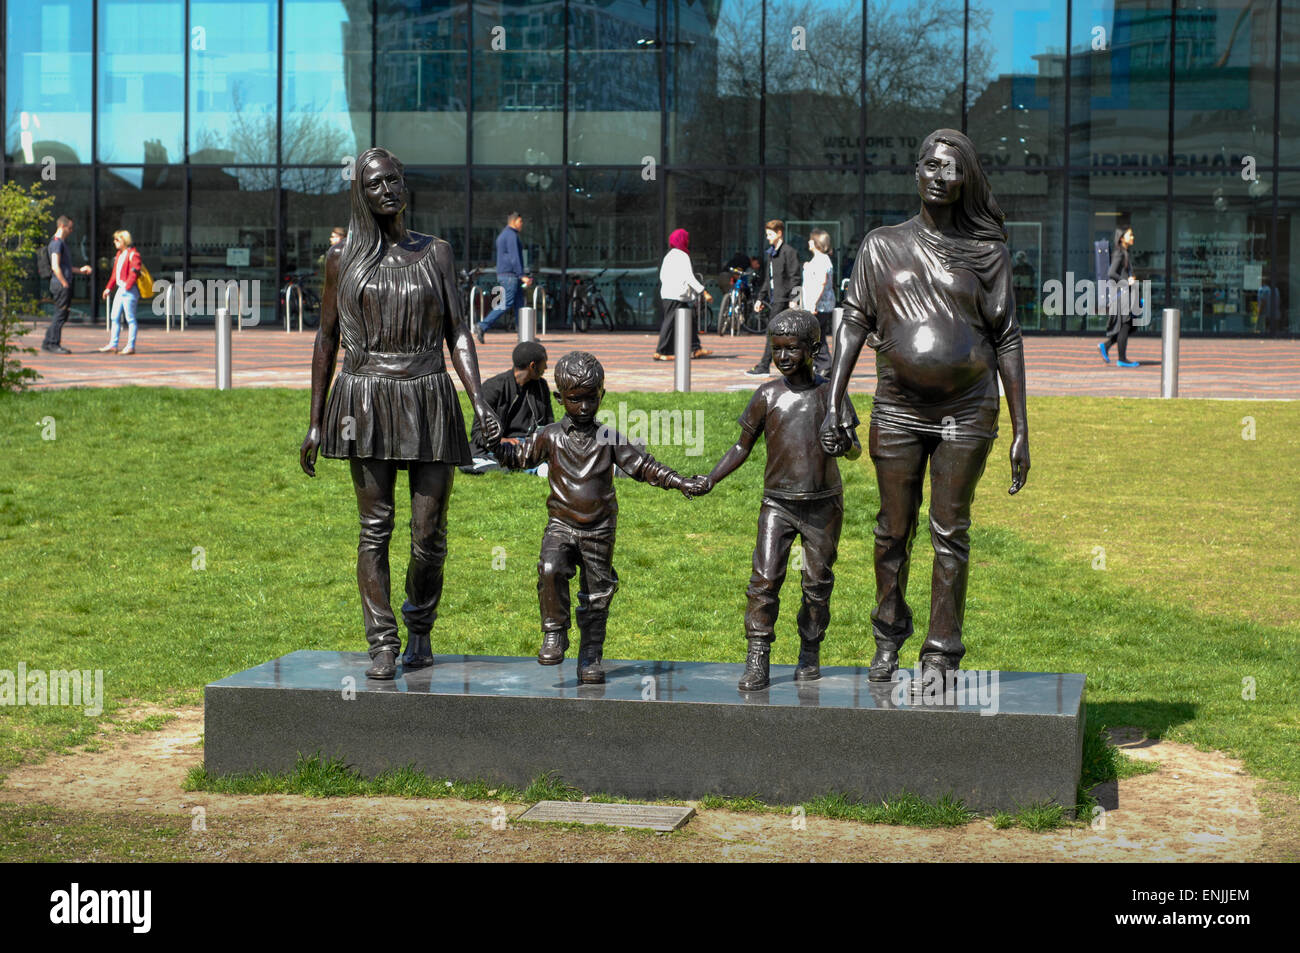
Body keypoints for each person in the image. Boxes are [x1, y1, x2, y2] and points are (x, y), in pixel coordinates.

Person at [822, 128, 1030, 686]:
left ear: (966, 180)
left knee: (949, 531)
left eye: (952, 169)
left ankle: (941, 651)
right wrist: (834, 397)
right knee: (892, 529)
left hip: (967, 410)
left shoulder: (988, 253)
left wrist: (1021, 428)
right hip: (895, 408)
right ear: (916, 172)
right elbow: (853, 322)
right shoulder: (880, 245)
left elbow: (1008, 337)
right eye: (932, 166)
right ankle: (888, 634)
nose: (941, 177)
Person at [299, 147, 501, 680]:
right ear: (360, 195)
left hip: (430, 394)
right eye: (374, 184)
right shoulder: (342, 260)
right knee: (375, 527)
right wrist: (316, 420)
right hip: (365, 399)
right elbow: (326, 339)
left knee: (428, 531)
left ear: (404, 184)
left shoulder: (436, 253)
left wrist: (479, 399)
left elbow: (458, 331)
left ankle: (420, 628)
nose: (386, 189)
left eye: (392, 180)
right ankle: (382, 641)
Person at [493, 351, 707, 684]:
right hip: (561, 524)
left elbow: (644, 467)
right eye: (574, 400)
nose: (582, 408)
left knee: (597, 596)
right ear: (560, 398)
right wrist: (496, 444)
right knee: (549, 568)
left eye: (590, 399)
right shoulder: (550, 435)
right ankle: (555, 631)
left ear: (602, 396)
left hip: (599, 530)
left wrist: (680, 481)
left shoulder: (609, 438)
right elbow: (520, 456)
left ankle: (590, 654)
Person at [697, 309, 860, 692]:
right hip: (778, 506)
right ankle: (757, 655)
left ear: (813, 349)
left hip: (822, 506)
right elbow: (742, 445)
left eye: (791, 348)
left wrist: (845, 446)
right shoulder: (767, 395)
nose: (783, 356)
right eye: (777, 349)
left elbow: (852, 449)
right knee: (765, 580)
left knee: (816, 583)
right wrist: (711, 478)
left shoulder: (830, 394)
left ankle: (810, 648)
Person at [462, 340, 553, 474]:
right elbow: (477, 433)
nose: (546, 368)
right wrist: (502, 440)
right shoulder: (493, 387)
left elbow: (549, 425)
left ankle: (531, 465)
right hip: (503, 446)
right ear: (532, 366)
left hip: (531, 444)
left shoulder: (541, 386)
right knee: (490, 457)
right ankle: (536, 468)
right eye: (544, 362)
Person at [746, 220, 801, 376]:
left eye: (770, 234)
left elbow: (795, 278)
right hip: (775, 299)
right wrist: (759, 298)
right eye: (767, 234)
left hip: (784, 300)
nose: (768, 237)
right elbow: (768, 279)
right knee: (785, 334)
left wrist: (793, 299)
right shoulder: (771, 253)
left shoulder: (789, 252)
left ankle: (764, 366)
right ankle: (802, 364)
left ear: (779, 233)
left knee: (774, 332)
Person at [654, 228, 712, 361]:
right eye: (687, 238)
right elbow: (689, 277)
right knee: (670, 322)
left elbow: (663, 276)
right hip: (676, 295)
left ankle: (695, 348)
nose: (688, 241)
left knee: (689, 318)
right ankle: (661, 351)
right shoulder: (681, 255)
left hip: (672, 294)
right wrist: (703, 292)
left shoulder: (669, 255)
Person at [477, 212, 532, 342]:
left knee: (519, 304)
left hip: (507, 275)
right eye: (520, 221)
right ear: (513, 222)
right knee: (505, 303)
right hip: (510, 276)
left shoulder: (503, 235)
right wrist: (521, 275)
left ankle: (523, 335)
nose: (522, 224)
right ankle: (482, 325)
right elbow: (514, 257)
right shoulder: (511, 236)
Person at [42, 216, 92, 354]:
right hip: (60, 284)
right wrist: (64, 283)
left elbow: (65, 267)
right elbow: (55, 266)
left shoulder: (60, 243)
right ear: (62, 226)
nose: (71, 230)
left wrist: (80, 270)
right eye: (70, 228)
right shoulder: (57, 243)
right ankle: (53, 343)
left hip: (61, 282)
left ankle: (48, 342)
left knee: (60, 314)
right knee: (60, 315)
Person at [1099, 226, 1140, 367]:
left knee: (1131, 326)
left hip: (1126, 295)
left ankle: (1107, 345)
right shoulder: (1120, 253)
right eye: (1130, 235)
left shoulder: (1124, 253)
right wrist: (1126, 281)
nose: (1133, 237)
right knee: (1126, 325)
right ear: (1122, 238)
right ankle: (1122, 359)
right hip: (1123, 297)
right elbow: (1111, 273)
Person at [98, 230, 142, 355]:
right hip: (120, 289)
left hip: (129, 290)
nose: (114, 242)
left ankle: (130, 346)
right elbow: (115, 275)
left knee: (130, 319)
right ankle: (113, 344)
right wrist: (108, 288)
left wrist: (127, 286)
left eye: (117, 239)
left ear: (124, 240)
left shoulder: (133, 254)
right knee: (114, 317)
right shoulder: (119, 254)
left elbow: (134, 272)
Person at [801, 228, 836, 376]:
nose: (808, 242)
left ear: (816, 243)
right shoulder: (819, 259)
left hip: (820, 306)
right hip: (820, 305)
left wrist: (814, 303)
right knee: (817, 336)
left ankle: (821, 363)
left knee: (810, 335)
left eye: (811, 239)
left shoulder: (821, 259)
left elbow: (822, 282)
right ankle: (823, 365)